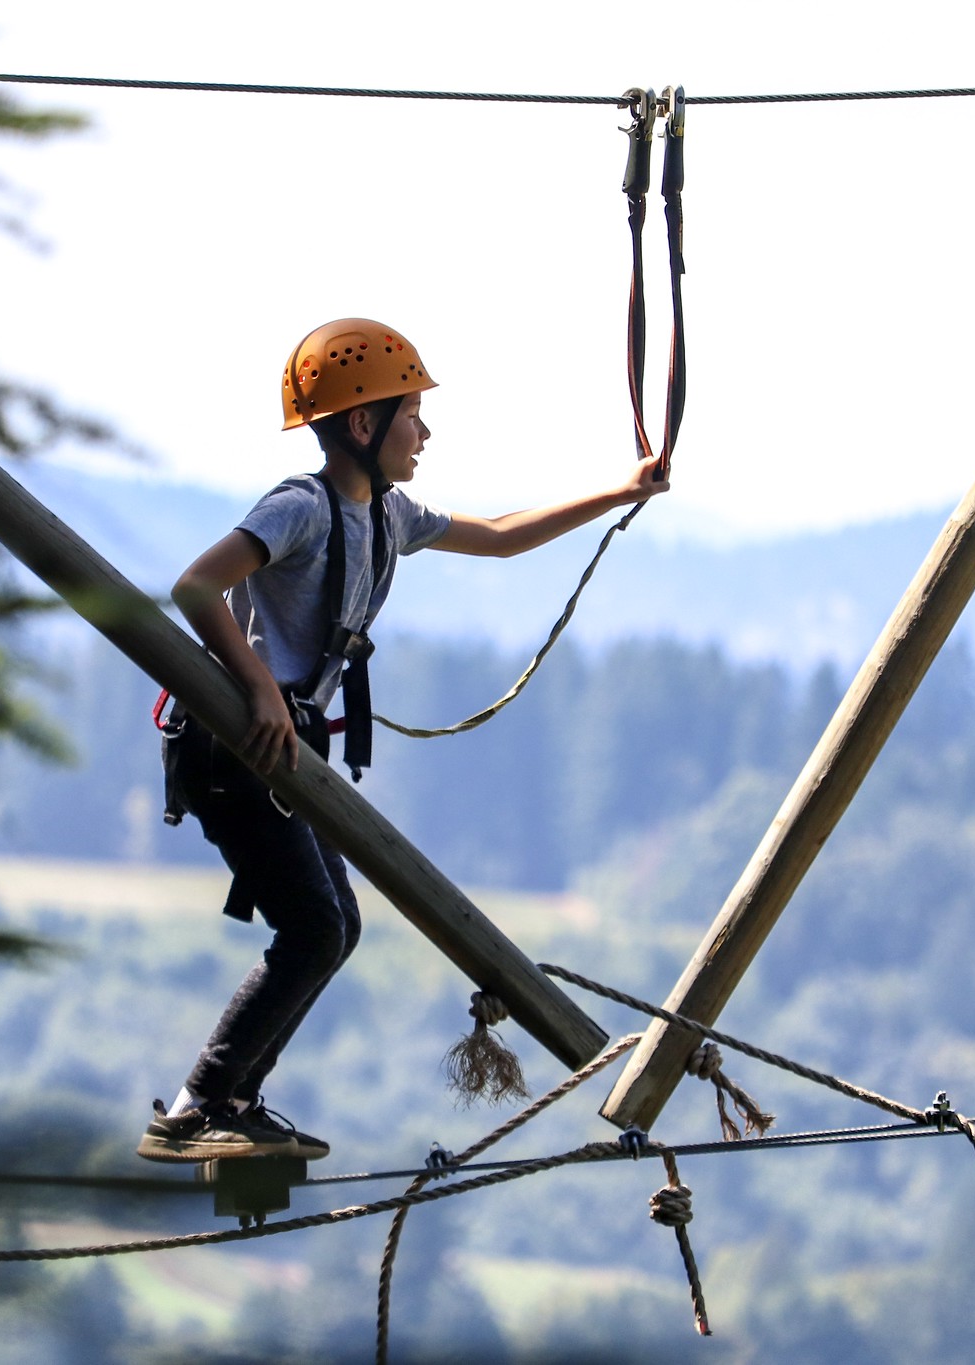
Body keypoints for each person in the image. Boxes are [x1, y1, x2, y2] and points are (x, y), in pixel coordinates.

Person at [138, 318, 669, 1163]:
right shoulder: (299, 507)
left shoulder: (388, 514)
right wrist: (262, 686)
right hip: (233, 744)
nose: (425, 432)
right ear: (363, 423)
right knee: (316, 929)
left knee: (336, 925)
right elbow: (196, 586)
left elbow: (500, 535)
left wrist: (620, 491)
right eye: (412, 415)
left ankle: (228, 1099)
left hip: (279, 747)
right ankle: (198, 1105)